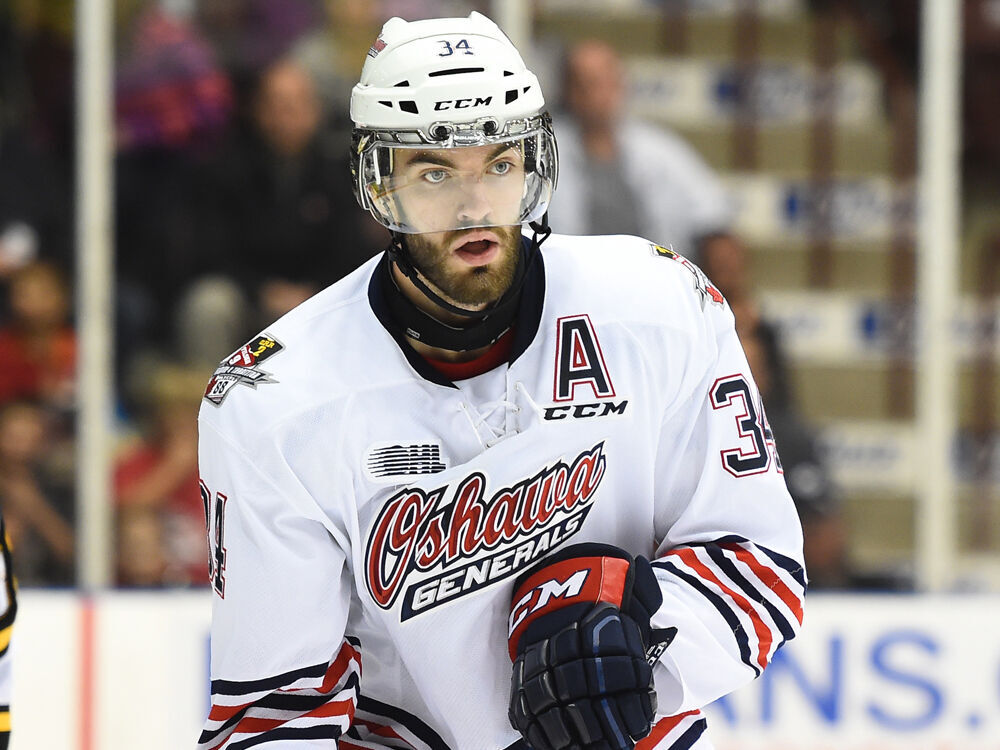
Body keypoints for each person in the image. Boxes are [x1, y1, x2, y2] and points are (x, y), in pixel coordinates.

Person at [198, 13, 805, 750]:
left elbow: (758, 560)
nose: (474, 203)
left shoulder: (658, 308)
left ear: (536, 164)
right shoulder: (278, 403)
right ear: (377, 182)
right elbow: (272, 714)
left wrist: (638, 657)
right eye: (433, 172)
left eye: (499, 162)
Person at [549, 39, 733, 258]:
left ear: (621, 84)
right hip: (572, 282)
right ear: (568, 90)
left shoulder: (661, 149)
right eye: (586, 83)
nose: (597, 94)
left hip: (655, 280)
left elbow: (713, 216)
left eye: (605, 81)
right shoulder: (545, 153)